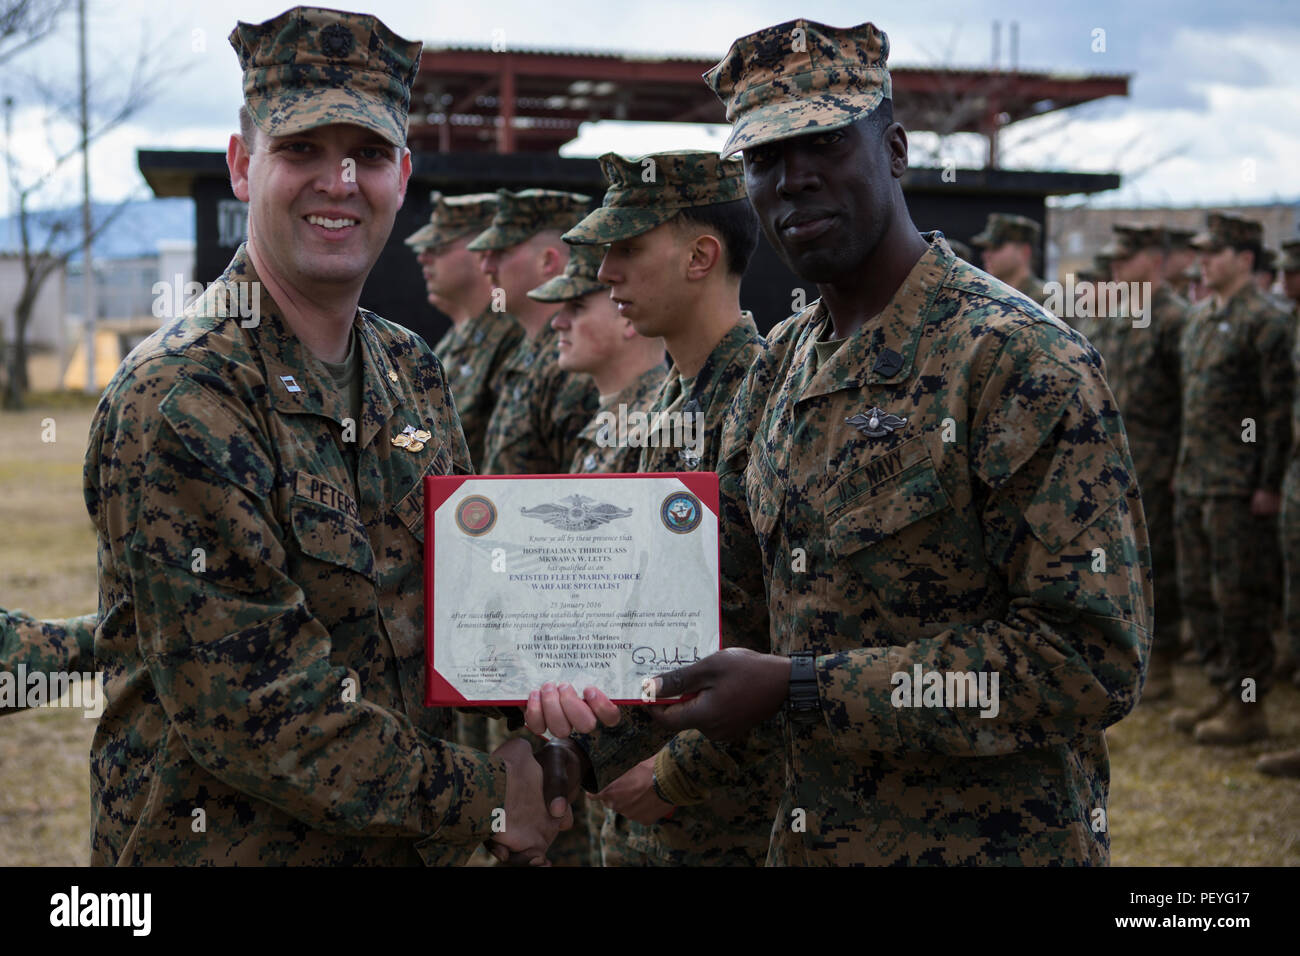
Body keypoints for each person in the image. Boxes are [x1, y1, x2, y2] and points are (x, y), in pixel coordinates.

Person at [528, 18, 1151, 866]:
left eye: (822, 143)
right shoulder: (780, 365)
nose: (793, 181)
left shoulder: (1013, 358)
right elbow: (728, 606)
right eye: (764, 159)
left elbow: (1089, 658)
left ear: (893, 150)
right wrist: (590, 738)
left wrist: (805, 689)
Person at [81, 5, 567, 866]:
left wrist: (568, 703)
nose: (338, 182)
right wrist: (490, 799)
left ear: (402, 173)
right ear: (242, 166)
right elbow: (258, 711)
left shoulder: (410, 368)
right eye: (301, 149)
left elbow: (464, 605)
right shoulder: (182, 398)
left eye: (368, 155)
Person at [562, 150, 778, 866]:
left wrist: (680, 770)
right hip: (638, 805)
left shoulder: (768, 402)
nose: (604, 274)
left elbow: (800, 634)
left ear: (701, 256)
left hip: (724, 820)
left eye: (627, 249)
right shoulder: (661, 407)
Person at [1169, 212, 1293, 746]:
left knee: (1241, 599)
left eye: (1215, 252)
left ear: (1245, 259)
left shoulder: (1266, 321)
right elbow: (1191, 407)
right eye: (1203, 251)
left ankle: (1250, 707)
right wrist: (1182, 470)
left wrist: (1267, 482)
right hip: (1197, 479)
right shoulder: (1200, 319)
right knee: (1202, 595)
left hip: (1239, 486)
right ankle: (1225, 691)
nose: (1205, 261)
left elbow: (1278, 410)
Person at [1074, 225, 1187, 702]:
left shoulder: (1173, 318)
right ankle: (1129, 653)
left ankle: (1161, 665)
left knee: (1160, 563)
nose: (1117, 264)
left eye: (1129, 256)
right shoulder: (1123, 315)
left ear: (1154, 259)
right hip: (1118, 463)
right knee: (1122, 564)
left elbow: (1188, 401)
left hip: (1160, 463)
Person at [469, 190, 599, 477]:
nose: (486, 267)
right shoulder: (526, 353)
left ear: (547, 262)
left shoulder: (571, 363)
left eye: (500, 253)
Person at [404, 191, 522, 474]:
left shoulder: (512, 335)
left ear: (483, 250)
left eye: (439, 246)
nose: (424, 257)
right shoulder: (454, 340)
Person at [530, 242, 667, 476]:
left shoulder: (656, 425)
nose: (557, 322)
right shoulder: (614, 416)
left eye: (577, 307)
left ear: (628, 318)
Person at [971, 212, 1050, 305]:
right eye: (986, 248)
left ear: (1024, 251)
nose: (986, 255)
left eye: (996, 247)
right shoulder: (986, 297)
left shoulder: (1048, 300)